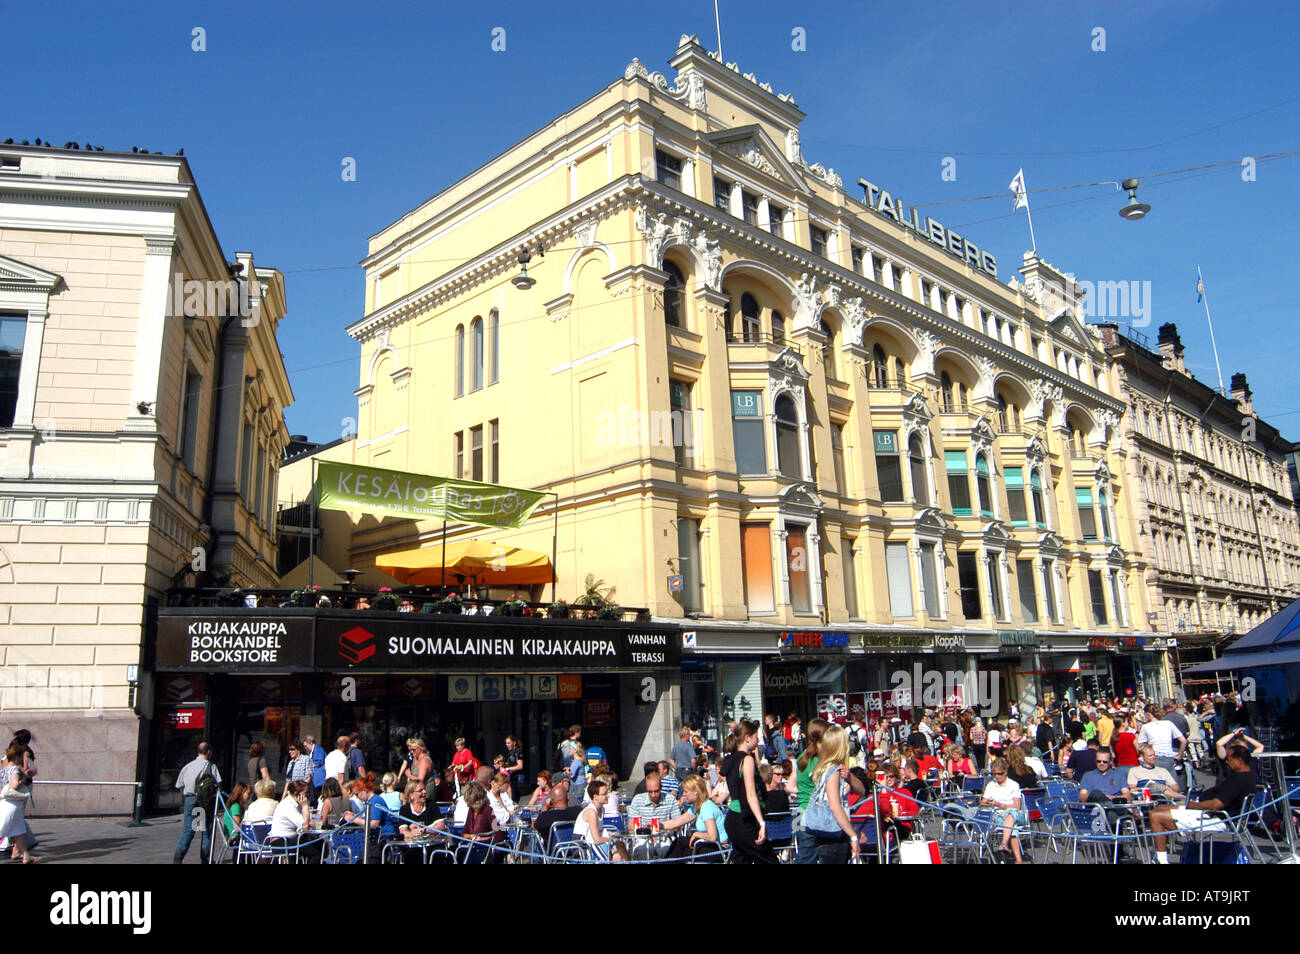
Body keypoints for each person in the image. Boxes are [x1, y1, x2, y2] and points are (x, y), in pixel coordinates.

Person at [1148, 743, 1259, 863]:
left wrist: (1194, 806)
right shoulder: (1246, 777)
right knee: (1161, 807)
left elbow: (1216, 805)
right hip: (1214, 813)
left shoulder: (1239, 781)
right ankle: (1161, 850)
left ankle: (1161, 859)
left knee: (1156, 816)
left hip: (1217, 818)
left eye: (1229, 759)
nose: (1226, 762)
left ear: (1240, 761)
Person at [800, 725, 862, 864]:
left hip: (823, 829)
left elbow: (861, 790)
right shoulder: (833, 771)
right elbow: (834, 806)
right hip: (833, 829)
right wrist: (853, 836)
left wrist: (850, 778)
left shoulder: (824, 767)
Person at [722, 720, 778, 863]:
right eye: (755, 736)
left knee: (742, 859)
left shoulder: (731, 759)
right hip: (744, 819)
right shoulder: (746, 760)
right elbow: (751, 794)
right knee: (769, 859)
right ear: (747, 738)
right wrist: (762, 823)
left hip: (732, 819)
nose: (758, 739)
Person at [173, 741, 221, 864]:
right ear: (208, 752)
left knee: (188, 829)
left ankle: (179, 853)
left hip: (190, 800)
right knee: (206, 830)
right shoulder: (211, 766)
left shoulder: (187, 766)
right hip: (205, 802)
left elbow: (179, 785)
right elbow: (218, 784)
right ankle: (205, 859)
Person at [669, 773, 727, 858]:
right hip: (709, 844)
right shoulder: (698, 806)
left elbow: (712, 836)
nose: (683, 795)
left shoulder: (706, 808)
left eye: (686, 791)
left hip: (719, 849)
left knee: (683, 851)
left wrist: (696, 834)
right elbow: (677, 822)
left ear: (695, 792)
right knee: (680, 841)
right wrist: (659, 825)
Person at [982, 758, 1026, 864]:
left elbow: (1017, 806)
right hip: (998, 815)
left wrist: (1001, 804)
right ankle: (1018, 859)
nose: (997, 776)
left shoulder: (1013, 785)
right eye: (994, 774)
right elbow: (982, 802)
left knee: (1011, 814)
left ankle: (1005, 844)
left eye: (999, 773)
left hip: (1015, 814)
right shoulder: (991, 785)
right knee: (1012, 827)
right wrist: (989, 802)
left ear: (1005, 772)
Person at [0, 743, 38, 863]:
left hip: (5, 803)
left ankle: (26, 855)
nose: (22, 759)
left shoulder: (2, 771)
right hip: (13, 804)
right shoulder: (14, 769)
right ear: (17, 757)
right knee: (6, 829)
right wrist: (25, 777)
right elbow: (14, 785)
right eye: (21, 757)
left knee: (19, 831)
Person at [268, 780, 322, 863]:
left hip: (292, 839)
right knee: (316, 852)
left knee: (319, 843)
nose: (307, 795)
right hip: (281, 841)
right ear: (297, 793)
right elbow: (304, 826)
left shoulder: (296, 804)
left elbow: (305, 821)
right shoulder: (288, 805)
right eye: (305, 793)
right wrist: (305, 806)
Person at [573, 778, 627, 862]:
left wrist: (612, 836)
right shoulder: (591, 812)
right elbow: (597, 840)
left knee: (619, 845)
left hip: (591, 843)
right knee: (615, 847)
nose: (608, 795)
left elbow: (599, 831)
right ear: (595, 797)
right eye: (604, 793)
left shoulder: (602, 809)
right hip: (582, 847)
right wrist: (611, 839)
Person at [1137, 704, 1186, 776]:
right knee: (1171, 781)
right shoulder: (1168, 723)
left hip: (1154, 756)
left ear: (1148, 714)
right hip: (1168, 756)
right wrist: (1179, 755)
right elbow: (1183, 741)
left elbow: (1140, 745)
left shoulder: (1145, 727)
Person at [304, 735, 326, 804]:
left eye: (306, 745)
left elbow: (317, 763)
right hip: (314, 779)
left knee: (317, 797)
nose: (305, 748)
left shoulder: (318, 750)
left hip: (319, 779)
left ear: (310, 743)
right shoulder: (311, 752)